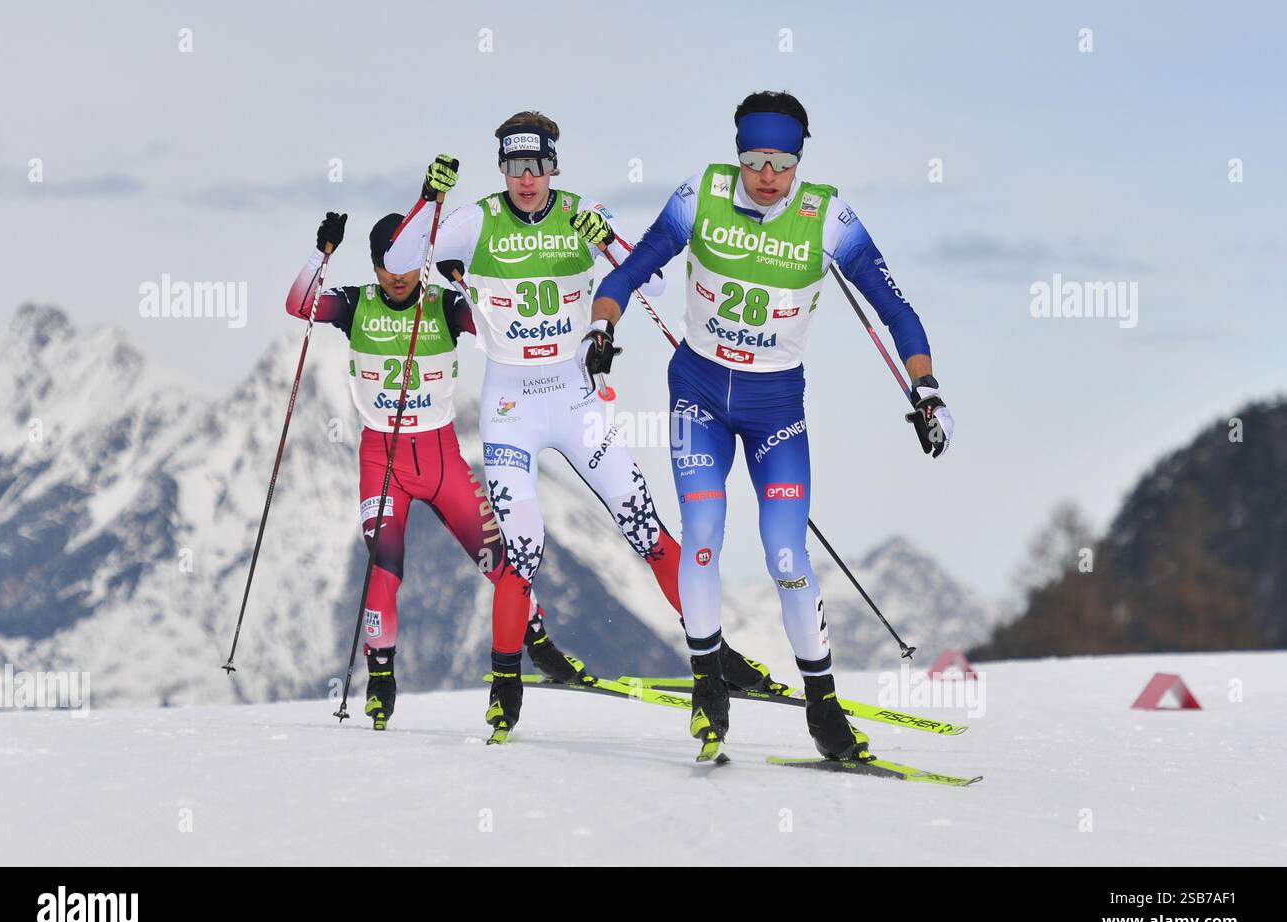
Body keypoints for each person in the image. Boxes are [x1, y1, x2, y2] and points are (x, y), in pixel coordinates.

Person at [386, 113, 779, 738]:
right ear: (503, 170)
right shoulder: (478, 218)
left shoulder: (579, 212)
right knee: (524, 549)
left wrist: (609, 241)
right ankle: (506, 683)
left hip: (575, 402)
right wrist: (430, 200)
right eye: (515, 167)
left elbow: (642, 272)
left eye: (537, 166)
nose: (526, 180)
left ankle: (716, 654)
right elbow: (398, 255)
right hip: (510, 408)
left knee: (644, 526)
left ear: (554, 166)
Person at [590, 90, 955, 759]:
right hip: (698, 394)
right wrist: (600, 329)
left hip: (776, 410)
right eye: (755, 159)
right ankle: (708, 690)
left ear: (799, 161)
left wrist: (925, 388)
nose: (767, 175)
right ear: (737, 155)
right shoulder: (698, 196)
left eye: (781, 163)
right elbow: (628, 274)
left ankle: (823, 708)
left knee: (786, 555)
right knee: (701, 536)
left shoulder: (828, 217)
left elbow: (896, 311)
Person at [284, 198, 588, 732]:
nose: (398, 276)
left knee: (503, 561)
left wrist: (467, 281)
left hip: (443, 456)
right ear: (374, 265)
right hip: (383, 461)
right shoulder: (355, 304)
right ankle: (381, 681)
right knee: (385, 568)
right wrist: (319, 255)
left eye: (407, 264)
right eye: (387, 265)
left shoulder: (443, 305)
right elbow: (299, 306)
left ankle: (536, 641)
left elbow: (501, 330)